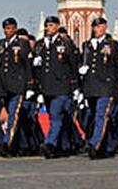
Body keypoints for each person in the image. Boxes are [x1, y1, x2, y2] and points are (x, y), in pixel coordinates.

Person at [79, 17, 118, 159]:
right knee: (98, 117)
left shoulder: (112, 45)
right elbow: (83, 62)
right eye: (94, 27)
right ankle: (109, 145)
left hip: (106, 86)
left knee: (101, 116)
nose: (96, 30)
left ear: (105, 27)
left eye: (99, 27)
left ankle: (95, 145)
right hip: (91, 87)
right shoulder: (87, 45)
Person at [33, 15, 79, 158]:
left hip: (61, 87)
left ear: (57, 26)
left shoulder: (65, 43)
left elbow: (73, 65)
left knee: (56, 117)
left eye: (52, 25)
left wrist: (75, 86)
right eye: (47, 26)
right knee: (61, 118)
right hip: (47, 88)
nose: (49, 28)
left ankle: (50, 143)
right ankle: (64, 146)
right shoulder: (42, 44)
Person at [0, 18, 35, 156]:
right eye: (6, 28)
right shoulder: (2, 44)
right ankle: (20, 145)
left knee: (14, 115)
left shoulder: (22, 43)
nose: (8, 31)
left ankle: (8, 143)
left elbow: (27, 66)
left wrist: (30, 86)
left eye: (11, 28)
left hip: (18, 86)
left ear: (15, 29)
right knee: (13, 117)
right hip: (5, 86)